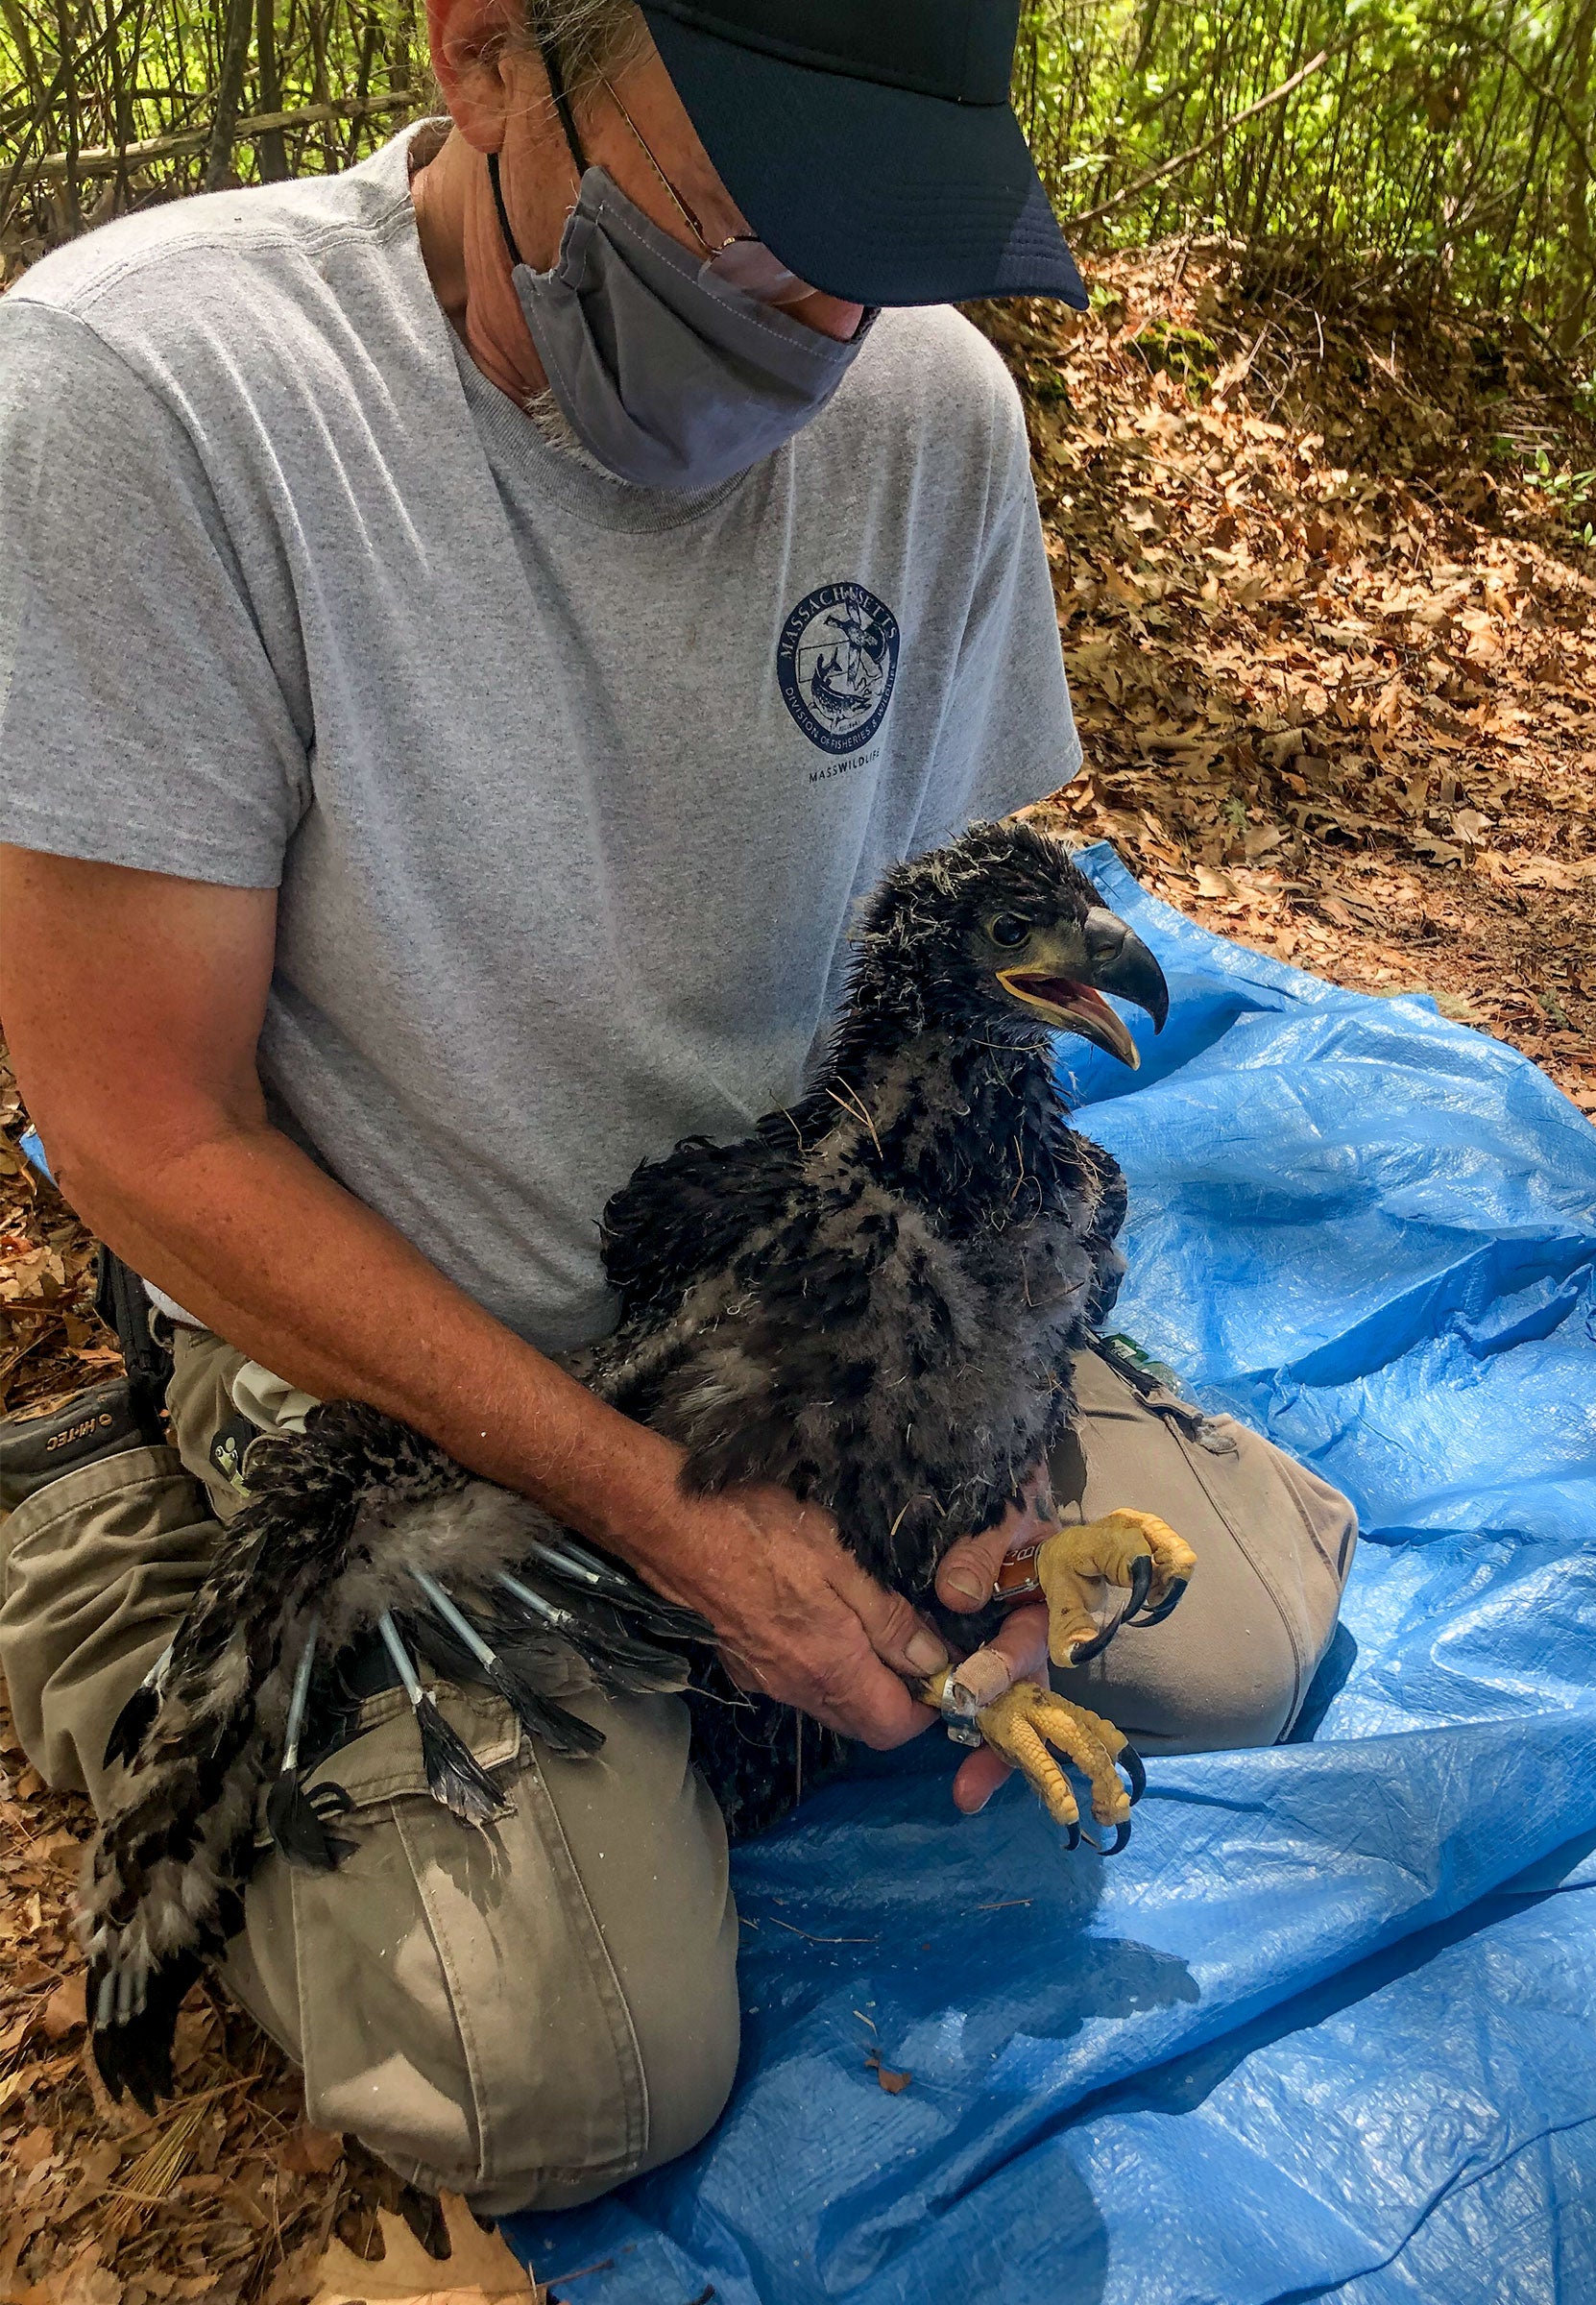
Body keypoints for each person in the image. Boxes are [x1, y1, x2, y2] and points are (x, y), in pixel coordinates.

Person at [0, 0, 1355, 2213]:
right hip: (407, 1342)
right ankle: (90, 1550)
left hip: (793, 1285)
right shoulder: (156, 397)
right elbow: (141, 1133)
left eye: (878, 250)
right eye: (747, 227)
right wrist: (655, 1508)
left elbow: (937, 999)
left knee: (1248, 1637)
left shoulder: (927, 410)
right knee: (566, 2071)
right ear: (481, 53)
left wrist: (988, 1452)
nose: (823, 318)